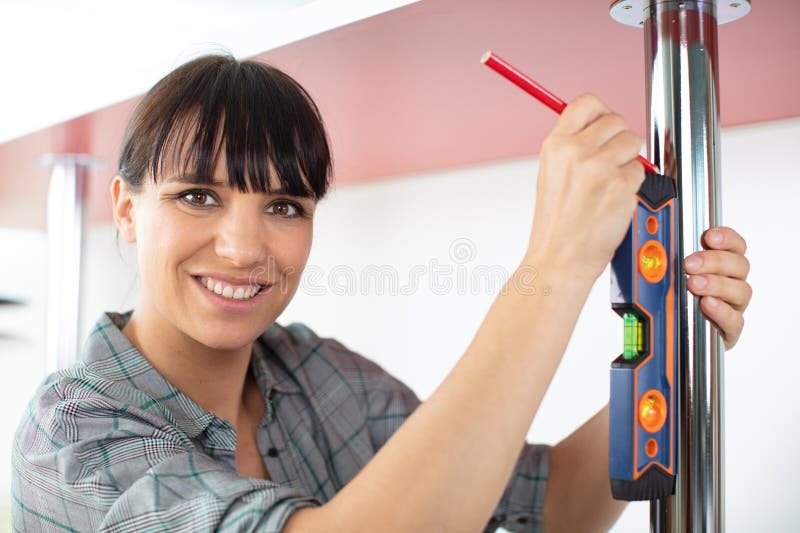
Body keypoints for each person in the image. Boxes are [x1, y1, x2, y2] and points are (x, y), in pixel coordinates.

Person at [11, 55, 752, 532]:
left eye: (284, 206)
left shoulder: (315, 375)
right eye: (200, 196)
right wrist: (555, 262)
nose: (243, 246)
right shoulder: (72, 436)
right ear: (127, 208)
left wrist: (679, 349)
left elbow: (545, 503)